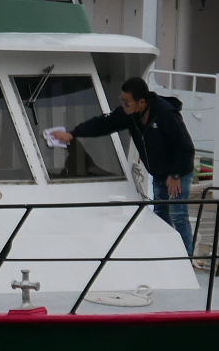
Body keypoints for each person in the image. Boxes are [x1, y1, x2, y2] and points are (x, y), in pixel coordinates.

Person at [49, 77, 198, 252]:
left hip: (178, 172)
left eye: (127, 103)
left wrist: (176, 175)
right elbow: (103, 124)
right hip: (159, 173)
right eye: (123, 102)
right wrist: (73, 134)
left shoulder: (166, 115)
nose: (124, 106)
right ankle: (165, 252)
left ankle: (186, 257)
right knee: (161, 214)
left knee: (178, 215)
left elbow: (185, 148)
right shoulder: (130, 115)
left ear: (142, 102)